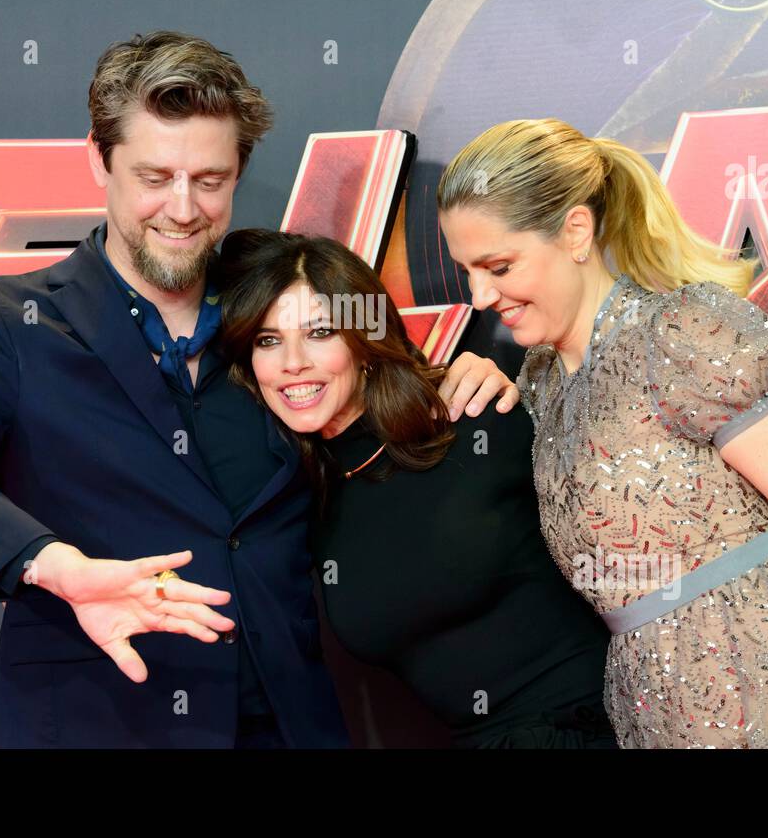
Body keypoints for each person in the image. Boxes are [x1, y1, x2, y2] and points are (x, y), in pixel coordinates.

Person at [0, 29, 516, 748]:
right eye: (154, 177)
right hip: (103, 725)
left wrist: (459, 377)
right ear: (98, 159)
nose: (182, 209)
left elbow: (373, 399)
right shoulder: (8, 320)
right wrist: (60, 568)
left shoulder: (272, 320)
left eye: (209, 181)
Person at [435, 117, 768, 748]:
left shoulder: (676, 335)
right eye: (467, 271)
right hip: (658, 714)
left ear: (574, 231)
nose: (480, 295)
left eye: (499, 266)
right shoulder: (539, 378)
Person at [215, 228, 618, 748]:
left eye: (319, 332)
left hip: (601, 726)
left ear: (364, 342)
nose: (293, 362)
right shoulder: (300, 494)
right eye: (268, 340)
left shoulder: (472, 418)